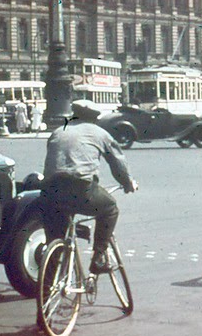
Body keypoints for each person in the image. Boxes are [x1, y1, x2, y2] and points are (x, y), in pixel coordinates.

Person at [41, 99, 137, 274]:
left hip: (49, 191)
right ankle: (98, 257)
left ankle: (48, 284)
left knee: (55, 238)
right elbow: (118, 164)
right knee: (110, 209)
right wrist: (128, 183)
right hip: (80, 189)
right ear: (94, 118)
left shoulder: (57, 132)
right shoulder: (99, 133)